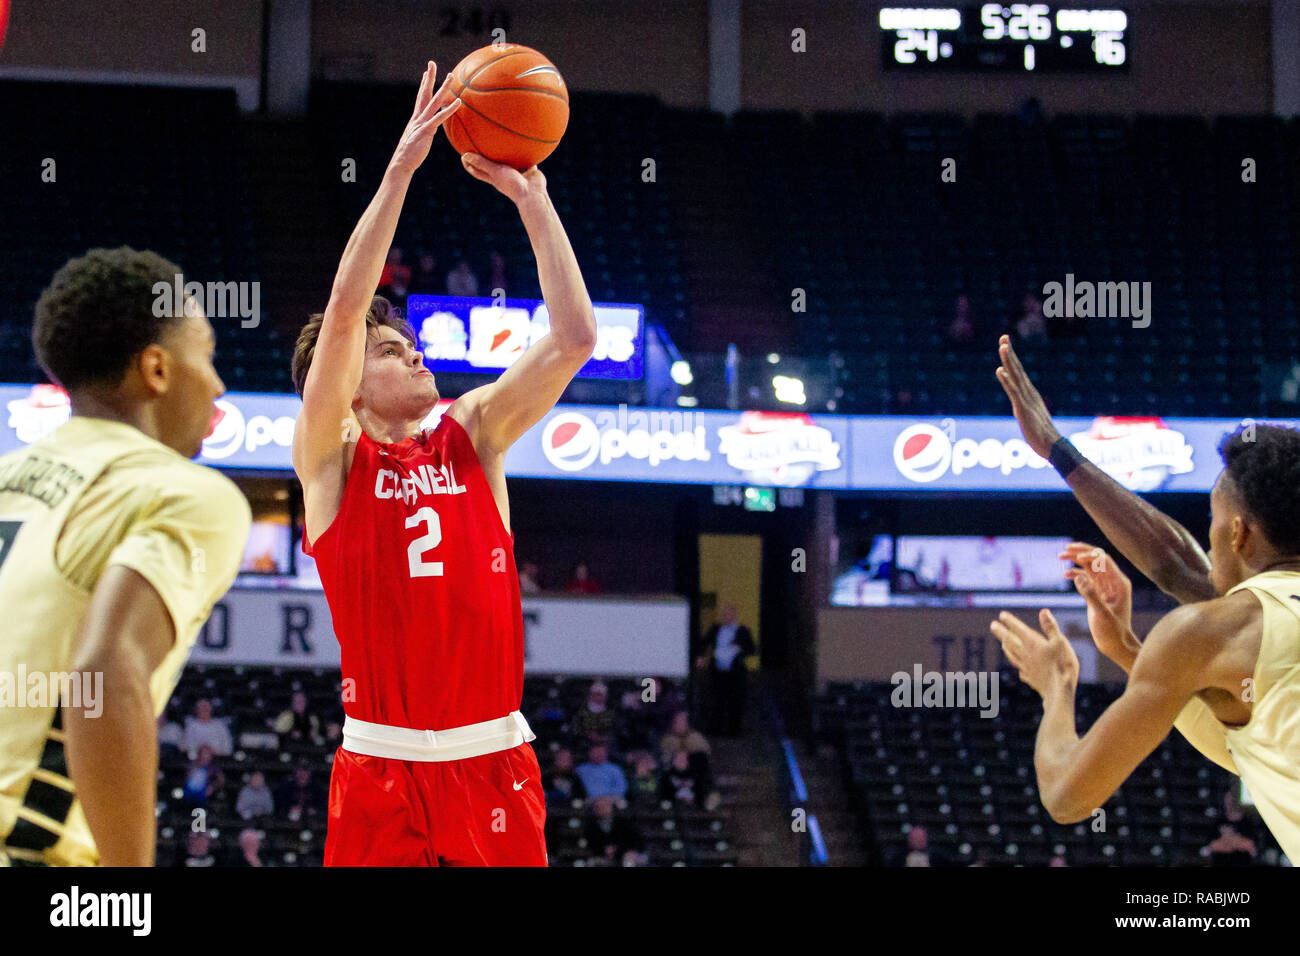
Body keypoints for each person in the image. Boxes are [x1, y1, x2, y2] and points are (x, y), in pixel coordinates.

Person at [290, 61, 596, 866]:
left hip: (491, 762)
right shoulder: (330, 460)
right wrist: (399, 172)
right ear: (348, 383)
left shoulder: (474, 433)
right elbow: (348, 311)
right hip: (379, 766)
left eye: (412, 343)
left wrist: (535, 201)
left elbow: (575, 340)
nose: (415, 355)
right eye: (390, 351)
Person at [991, 334, 1300, 862]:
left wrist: (1057, 687)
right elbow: (1257, 745)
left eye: (1213, 522)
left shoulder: (1219, 632)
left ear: (1240, 534)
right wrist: (1129, 650)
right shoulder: (1251, 635)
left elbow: (1068, 796)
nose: (1206, 539)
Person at [0, 247, 250, 867]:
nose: (218, 385)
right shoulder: (184, 493)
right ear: (156, 370)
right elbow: (105, 671)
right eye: (208, 357)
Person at [698, 602, 756, 736]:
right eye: (724, 615)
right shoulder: (715, 629)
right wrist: (702, 657)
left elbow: (751, 648)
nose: (726, 617)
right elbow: (704, 642)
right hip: (718, 671)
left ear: (734, 616)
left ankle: (734, 731)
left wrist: (740, 648)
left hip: (736, 672)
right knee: (717, 700)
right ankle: (716, 730)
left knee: (735, 702)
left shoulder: (742, 631)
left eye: (729, 614)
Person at [582, 795, 645, 866]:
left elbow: (634, 841)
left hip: (623, 854)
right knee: (591, 862)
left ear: (611, 807)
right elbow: (591, 844)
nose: (601, 809)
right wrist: (604, 850)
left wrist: (616, 850)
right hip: (603, 856)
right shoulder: (592, 826)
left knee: (629, 860)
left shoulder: (623, 822)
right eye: (598, 807)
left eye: (604, 806)